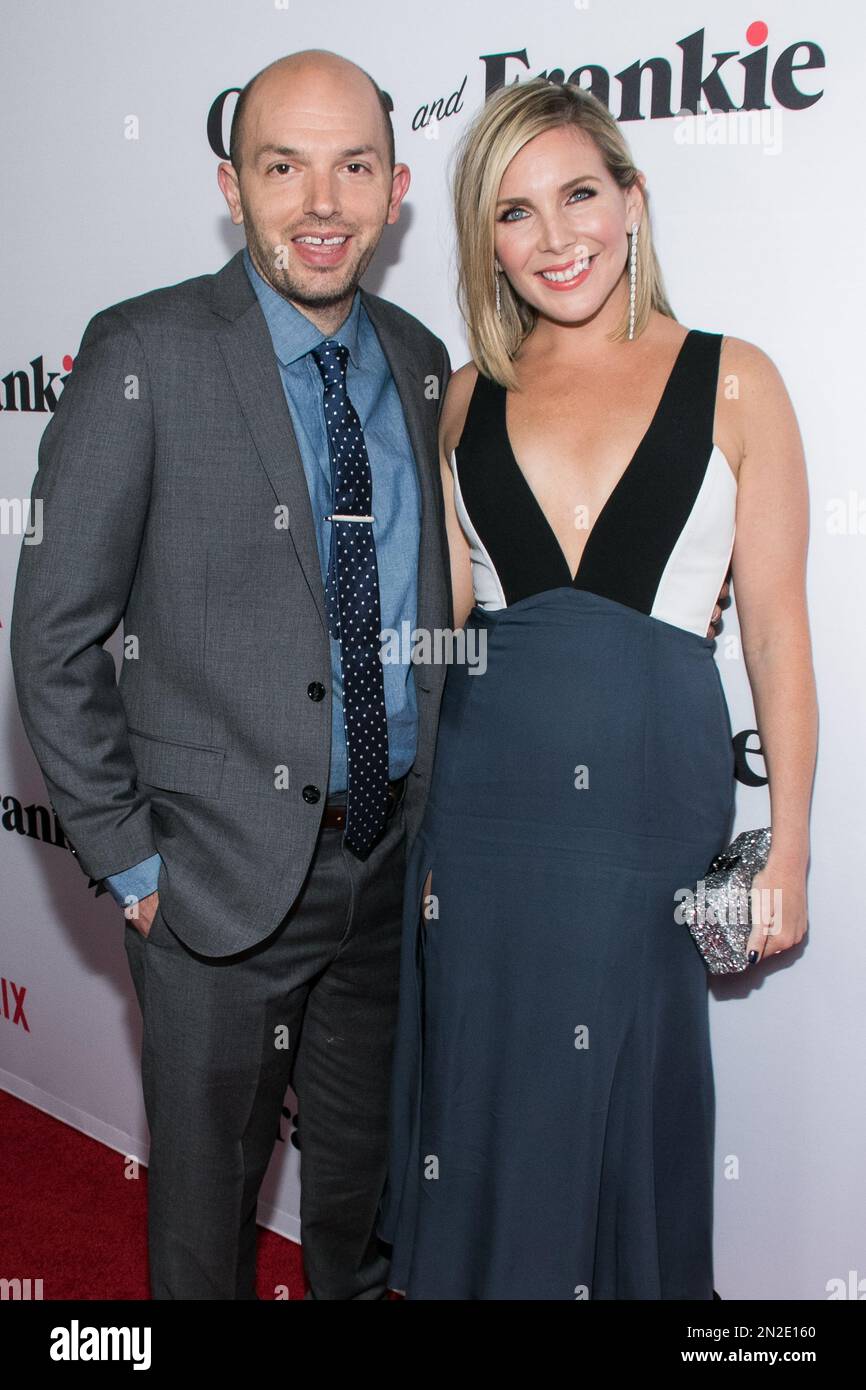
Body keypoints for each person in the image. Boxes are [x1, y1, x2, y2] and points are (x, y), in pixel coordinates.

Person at [9, 48, 455, 1300]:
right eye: (282, 166)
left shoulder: (422, 362)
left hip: (386, 868)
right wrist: (132, 858)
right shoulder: (145, 350)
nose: (321, 201)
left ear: (395, 185)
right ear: (231, 184)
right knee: (203, 1230)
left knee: (360, 1210)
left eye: (351, 165)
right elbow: (51, 634)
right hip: (210, 887)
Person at [377, 78, 816, 1300]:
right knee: (485, 1093)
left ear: (631, 198)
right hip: (480, 816)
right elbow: (447, 631)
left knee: (627, 1093)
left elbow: (774, 633)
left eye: (578, 193)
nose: (554, 236)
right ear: (485, 242)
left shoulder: (737, 379)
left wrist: (786, 849)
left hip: (643, 807)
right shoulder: (466, 395)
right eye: (515, 213)